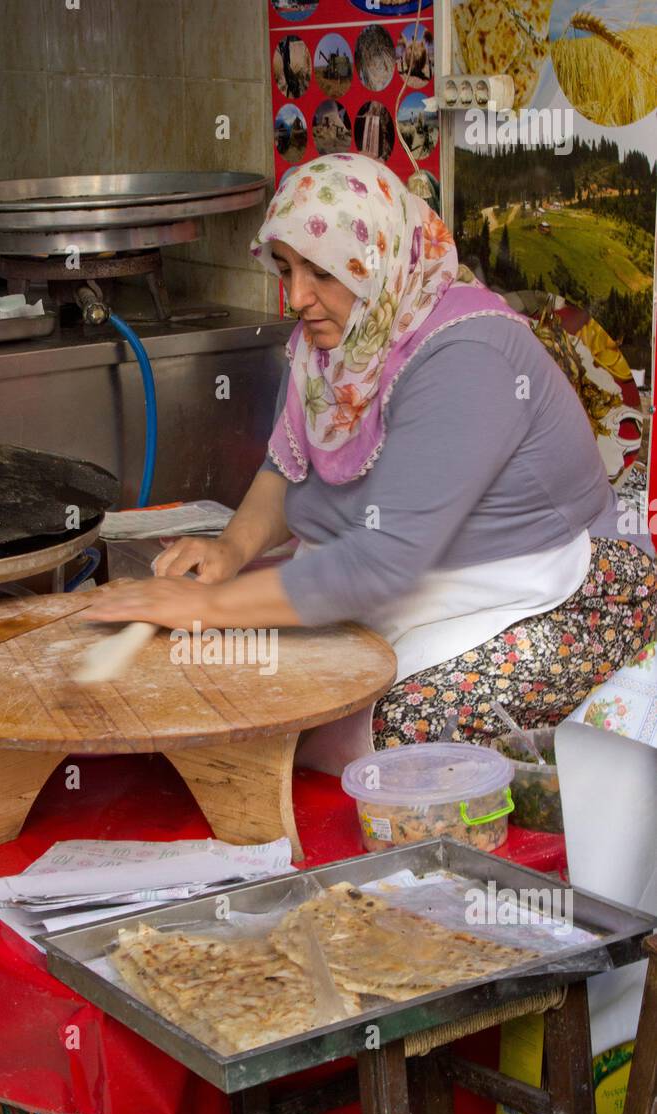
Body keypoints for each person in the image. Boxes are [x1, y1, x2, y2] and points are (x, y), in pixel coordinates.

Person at [83, 154, 656, 764]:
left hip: (556, 592)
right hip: (402, 591)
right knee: (235, 677)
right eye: (286, 269)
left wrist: (209, 607)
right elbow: (289, 465)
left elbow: (385, 560)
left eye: (321, 272)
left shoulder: (471, 357)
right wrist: (231, 550)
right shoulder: (328, 345)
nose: (297, 297)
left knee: (399, 725)